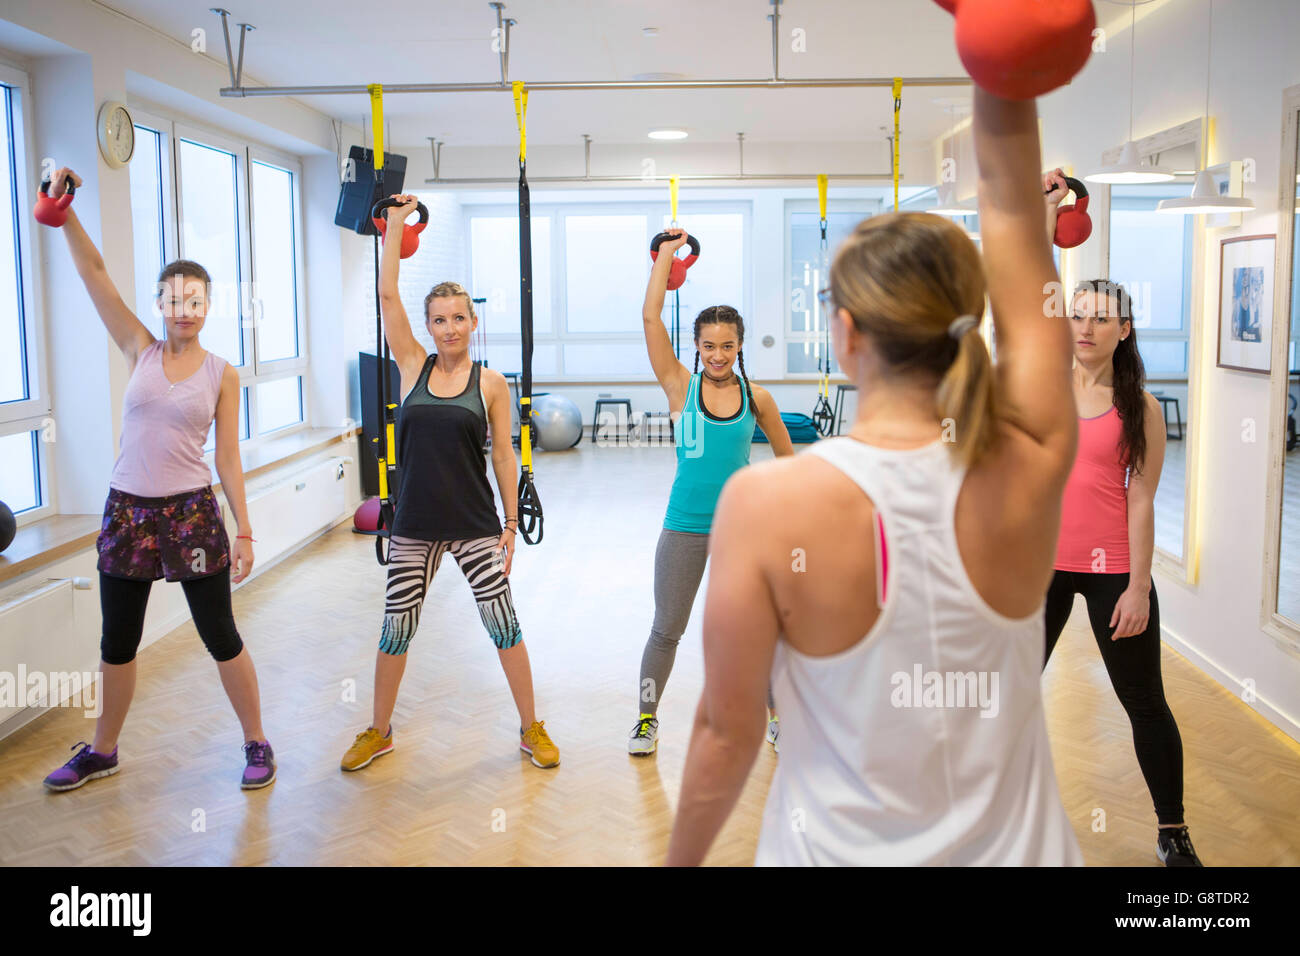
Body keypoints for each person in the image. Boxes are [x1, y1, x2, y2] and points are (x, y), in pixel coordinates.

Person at [666, 90, 1083, 865]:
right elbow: (1015, 213)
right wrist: (1002, 76)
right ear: (969, 319)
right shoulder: (1032, 457)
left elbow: (727, 735)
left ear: (846, 334)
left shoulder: (764, 505)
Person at [39, 168, 273, 793]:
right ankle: (102, 750)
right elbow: (94, 276)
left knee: (220, 634)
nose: (183, 309)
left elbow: (227, 457)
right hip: (128, 514)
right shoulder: (138, 349)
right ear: (160, 304)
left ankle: (256, 741)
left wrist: (244, 530)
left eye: (194, 299)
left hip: (192, 514)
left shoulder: (223, 374)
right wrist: (63, 211)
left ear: (207, 305)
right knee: (118, 640)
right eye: (173, 298)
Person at [340, 194, 559, 772]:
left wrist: (511, 523)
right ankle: (378, 730)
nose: (449, 327)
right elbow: (387, 296)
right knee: (396, 630)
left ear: (473, 321)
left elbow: (505, 458)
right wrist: (392, 228)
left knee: (503, 624)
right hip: (413, 522)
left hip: (473, 524)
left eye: (459, 317)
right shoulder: (413, 365)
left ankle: (530, 727)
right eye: (439, 319)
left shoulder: (490, 384)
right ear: (430, 325)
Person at [1037, 200, 1201, 867]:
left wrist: (1139, 585)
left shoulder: (1144, 408)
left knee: (1145, 704)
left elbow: (1141, 499)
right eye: (1077, 313)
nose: (1084, 326)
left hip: (1112, 574)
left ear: (1124, 329)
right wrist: (1045, 220)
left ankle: (1173, 831)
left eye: (1100, 317)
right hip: (1040, 569)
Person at [629, 228, 794, 757]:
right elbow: (652, 318)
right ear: (696, 347)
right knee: (666, 630)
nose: (718, 355)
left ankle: (776, 717)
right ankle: (646, 721)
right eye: (708, 346)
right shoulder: (681, 386)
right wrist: (666, 256)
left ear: (739, 345)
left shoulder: (759, 398)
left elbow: (789, 466)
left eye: (727, 345)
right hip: (684, 527)